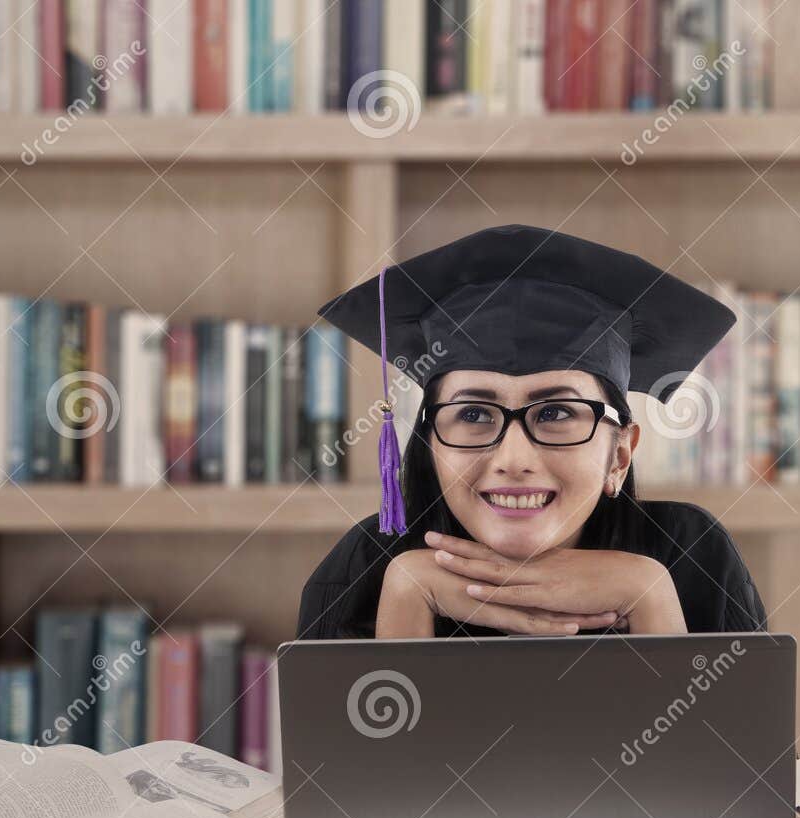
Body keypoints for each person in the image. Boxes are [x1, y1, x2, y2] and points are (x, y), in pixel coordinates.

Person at [296, 223, 768, 640]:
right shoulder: (363, 571)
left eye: (557, 413)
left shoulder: (695, 558)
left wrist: (650, 599)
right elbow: (354, 741)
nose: (513, 458)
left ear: (619, 456)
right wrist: (405, 599)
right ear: (430, 443)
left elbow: (741, 744)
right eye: (475, 415)